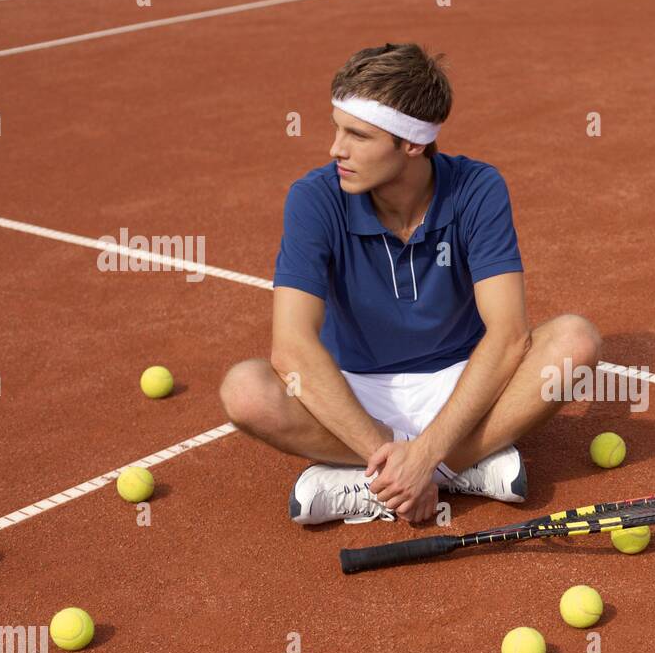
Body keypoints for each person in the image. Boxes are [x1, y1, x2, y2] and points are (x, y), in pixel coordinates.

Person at [219, 43, 600, 525]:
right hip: (351, 394)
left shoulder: (477, 188)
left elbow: (508, 336)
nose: (336, 148)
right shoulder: (314, 198)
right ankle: (459, 470)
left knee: (574, 341)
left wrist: (425, 458)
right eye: (338, 128)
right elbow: (292, 349)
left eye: (358, 135)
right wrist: (399, 456)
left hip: (463, 385)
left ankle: (373, 483)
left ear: (412, 144)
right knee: (246, 390)